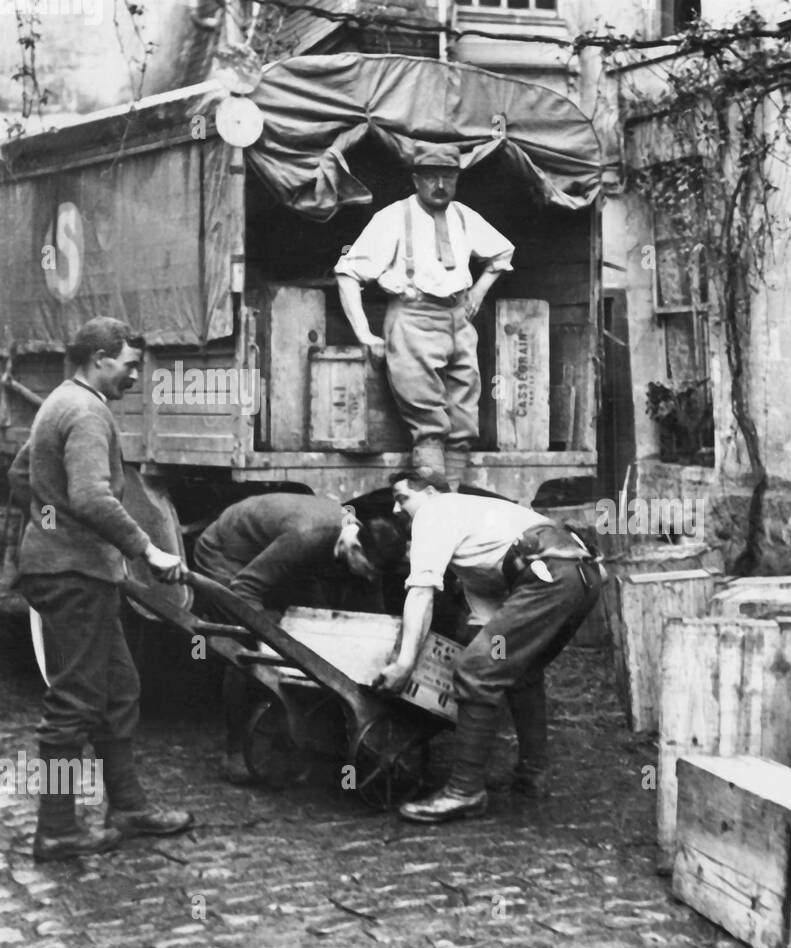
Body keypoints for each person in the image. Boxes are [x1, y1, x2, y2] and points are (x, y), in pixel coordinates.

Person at [7, 317, 192, 862]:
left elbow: (23, 476)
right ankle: (58, 827)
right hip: (73, 577)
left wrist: (52, 522)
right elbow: (90, 496)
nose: (136, 375)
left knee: (117, 685)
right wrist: (148, 549)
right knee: (75, 701)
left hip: (72, 568)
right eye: (131, 364)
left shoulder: (59, 401)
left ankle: (128, 806)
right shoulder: (87, 411)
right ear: (101, 358)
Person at [373, 470, 602, 822]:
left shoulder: (435, 512)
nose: (397, 508)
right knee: (519, 669)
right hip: (579, 578)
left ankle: (464, 791)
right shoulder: (471, 542)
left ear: (431, 492)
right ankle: (532, 775)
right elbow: (489, 630)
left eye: (403, 497)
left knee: (476, 670)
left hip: (551, 574)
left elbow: (420, 593)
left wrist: (405, 666)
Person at [335, 141, 514, 489]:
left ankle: (454, 502)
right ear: (416, 180)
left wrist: (476, 293)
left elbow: (501, 254)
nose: (441, 186)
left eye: (448, 177)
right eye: (432, 177)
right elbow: (348, 274)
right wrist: (364, 333)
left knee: (463, 418)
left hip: (458, 321)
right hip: (413, 318)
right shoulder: (391, 218)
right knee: (429, 423)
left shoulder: (463, 216)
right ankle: (433, 505)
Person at [192, 493, 405, 783]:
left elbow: (373, 611)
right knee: (246, 649)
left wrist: (384, 652)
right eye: (367, 570)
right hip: (227, 554)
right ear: (353, 546)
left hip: (281, 550)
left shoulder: (366, 547)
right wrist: (268, 639)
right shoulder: (307, 537)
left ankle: (306, 735)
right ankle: (236, 753)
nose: (369, 579)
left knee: (312, 630)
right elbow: (245, 589)